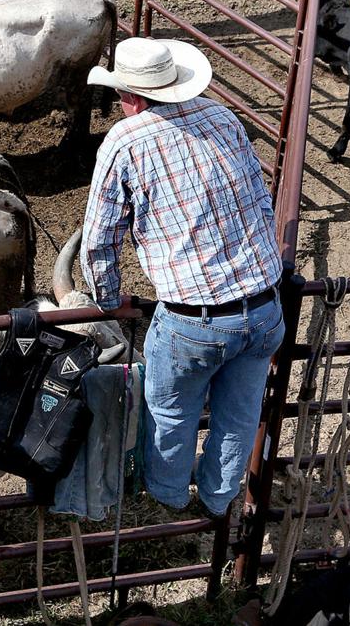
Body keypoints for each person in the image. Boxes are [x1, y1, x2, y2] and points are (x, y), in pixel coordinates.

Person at [80, 37, 285, 519]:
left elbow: (98, 240)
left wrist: (108, 299)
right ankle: (218, 499)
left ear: (129, 97)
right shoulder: (222, 117)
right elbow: (260, 200)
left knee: (171, 414)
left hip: (194, 319)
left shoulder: (125, 140)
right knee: (238, 415)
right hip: (264, 306)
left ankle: (170, 500)